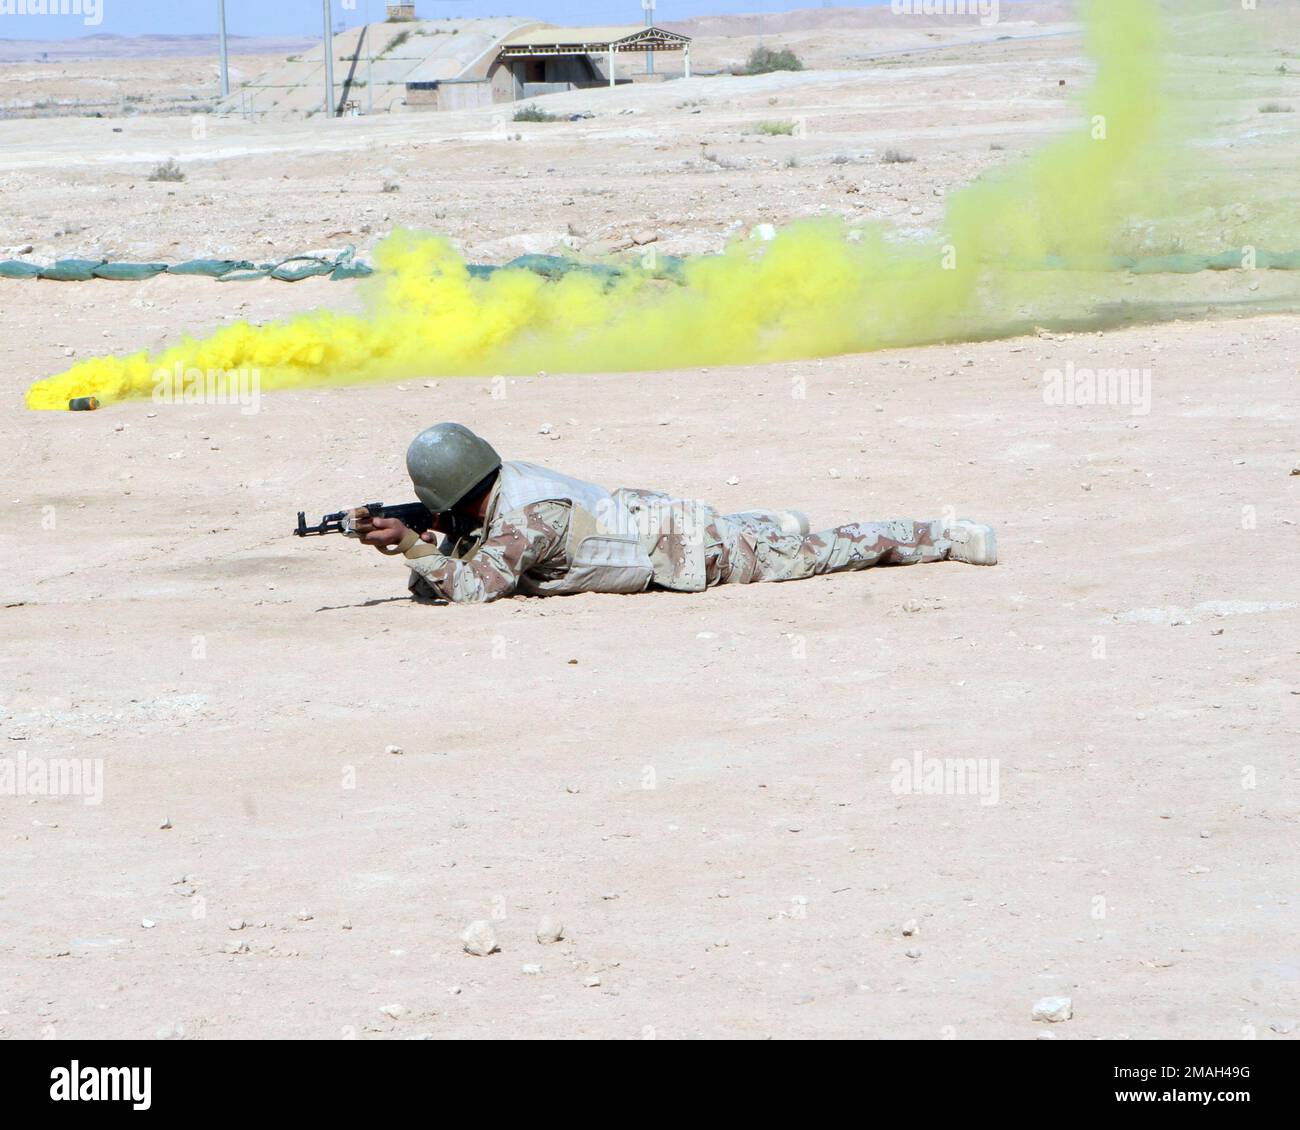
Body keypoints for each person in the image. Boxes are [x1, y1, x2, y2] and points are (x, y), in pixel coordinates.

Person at [351, 422, 997, 604]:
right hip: (652, 521)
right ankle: (768, 523)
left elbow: (473, 588)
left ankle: (942, 535)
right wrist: (426, 539)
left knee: (825, 552)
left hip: (688, 547)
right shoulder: (503, 485)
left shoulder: (526, 519)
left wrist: (409, 543)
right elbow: (459, 566)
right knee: (748, 532)